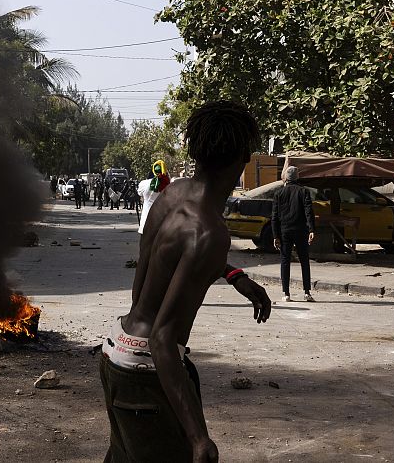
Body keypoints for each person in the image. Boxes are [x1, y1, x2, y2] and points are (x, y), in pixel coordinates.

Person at [100, 100, 271, 463]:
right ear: (244, 158)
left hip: (116, 353)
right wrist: (198, 438)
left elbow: (169, 253)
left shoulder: (172, 193)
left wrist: (232, 273)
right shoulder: (210, 232)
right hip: (148, 370)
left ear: (195, 150)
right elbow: (163, 339)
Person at [270, 166, 315, 302]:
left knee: (285, 261)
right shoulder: (304, 192)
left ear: (286, 179)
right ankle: (307, 292)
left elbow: (274, 216)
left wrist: (275, 235)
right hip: (301, 230)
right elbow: (309, 211)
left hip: (285, 231)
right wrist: (312, 229)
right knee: (304, 261)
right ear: (297, 178)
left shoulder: (279, 194)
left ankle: (286, 293)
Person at [137, 160, 170, 235]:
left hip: (146, 223)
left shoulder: (143, 184)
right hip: (163, 224)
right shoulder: (168, 185)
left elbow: (139, 193)